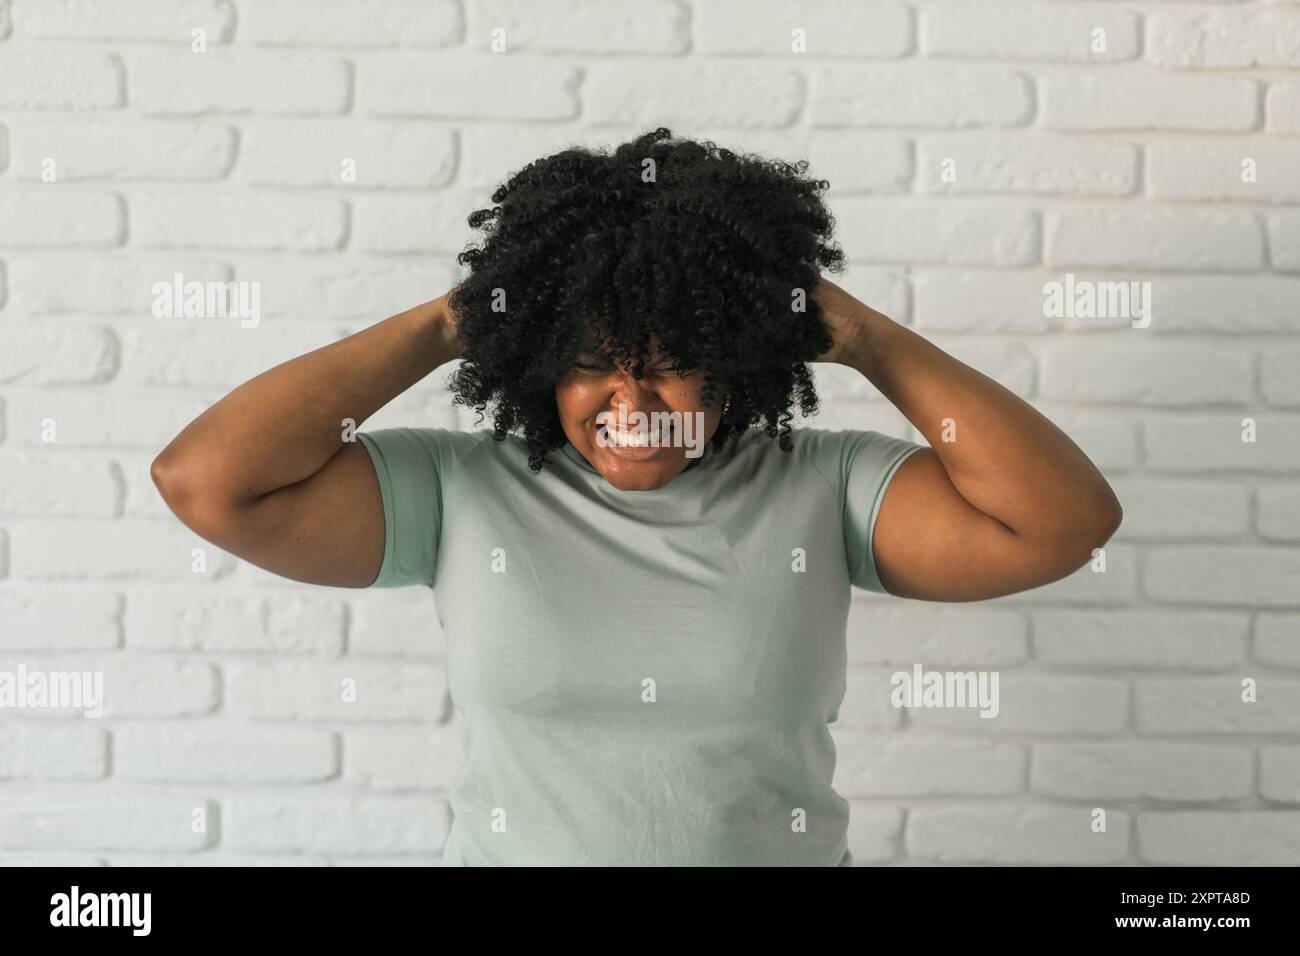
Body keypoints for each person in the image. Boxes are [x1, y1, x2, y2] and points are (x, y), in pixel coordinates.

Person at [152, 128, 1122, 866]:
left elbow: (1062, 523)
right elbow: (209, 483)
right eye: (589, 365)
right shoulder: (464, 489)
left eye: (672, 365)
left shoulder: (821, 484)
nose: (630, 402)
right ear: (537, 367)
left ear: (738, 361)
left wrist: (870, 340)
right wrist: (453, 320)